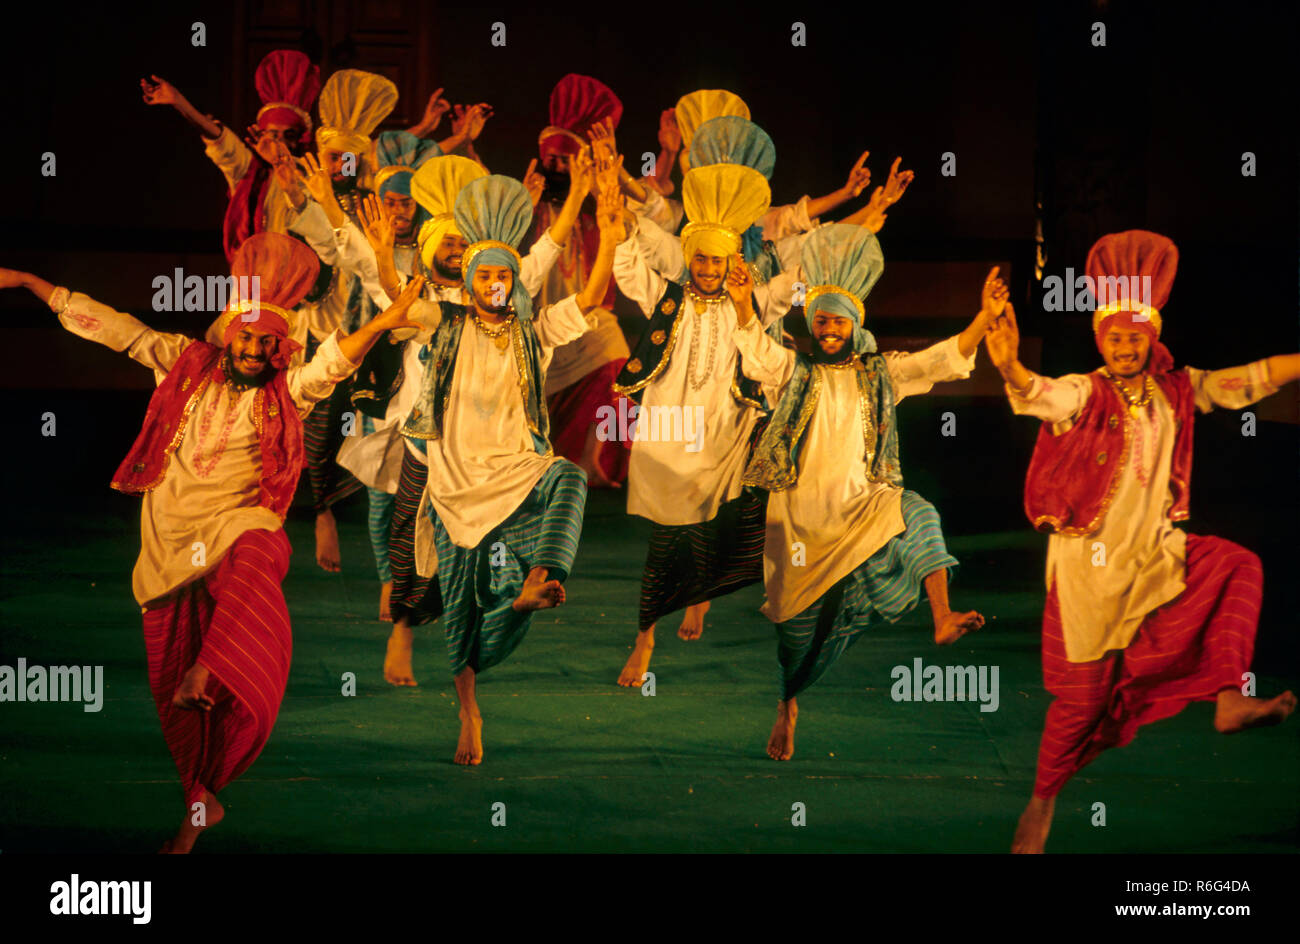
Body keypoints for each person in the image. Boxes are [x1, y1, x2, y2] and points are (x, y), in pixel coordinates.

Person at [0, 234, 424, 852]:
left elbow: (337, 358)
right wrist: (36, 286)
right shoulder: (182, 364)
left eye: (266, 343)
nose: (254, 351)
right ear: (228, 337)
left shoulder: (289, 390)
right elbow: (116, 329)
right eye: (246, 339)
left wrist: (385, 320)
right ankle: (198, 808)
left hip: (239, 525)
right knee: (183, 707)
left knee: (258, 547)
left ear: (280, 348)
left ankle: (208, 667)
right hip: (170, 543)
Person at [982, 229, 1299, 853]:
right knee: (1082, 706)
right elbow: (1039, 394)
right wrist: (1010, 365)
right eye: (1115, 338)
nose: (1126, 347)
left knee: (1238, 566)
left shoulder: (1177, 390)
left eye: (1136, 337)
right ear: (1101, 338)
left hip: (1156, 556)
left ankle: (1231, 697)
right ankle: (1041, 805)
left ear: (1150, 338)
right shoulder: (1085, 392)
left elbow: (1246, 380)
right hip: (1088, 576)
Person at [733, 224, 999, 759]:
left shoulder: (881, 375)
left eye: (840, 321)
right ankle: (788, 703)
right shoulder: (793, 370)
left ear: (856, 325)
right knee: (795, 638)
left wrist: (982, 322)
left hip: (865, 503)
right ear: (812, 324)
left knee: (919, 514)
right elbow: (757, 352)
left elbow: (936, 362)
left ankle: (942, 616)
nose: (830, 329)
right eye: (822, 320)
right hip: (802, 519)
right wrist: (742, 302)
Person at [401, 172, 624, 763]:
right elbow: (395, 305)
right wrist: (379, 249)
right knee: (464, 615)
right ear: (469, 281)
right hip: (455, 486)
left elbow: (592, 298)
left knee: (570, 476)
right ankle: (469, 710)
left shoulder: (535, 330)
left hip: (519, 472)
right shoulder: (442, 324)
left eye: (505, 274)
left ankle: (538, 577)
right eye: (486, 275)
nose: (497, 283)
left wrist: (609, 236)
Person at [610, 160, 773, 682]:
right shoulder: (669, 297)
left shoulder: (750, 302)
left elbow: (801, 284)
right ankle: (645, 637)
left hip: (721, 432)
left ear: (733, 263)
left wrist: (863, 223)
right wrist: (620, 227)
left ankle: (697, 596)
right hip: (666, 432)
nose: (707, 270)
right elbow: (630, 267)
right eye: (699, 260)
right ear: (690, 259)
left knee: (707, 530)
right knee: (664, 540)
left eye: (716, 262)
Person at [140, 50, 321, 262]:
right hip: (254, 279)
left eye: (288, 135)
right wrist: (178, 102)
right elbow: (218, 138)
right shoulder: (248, 170)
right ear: (261, 136)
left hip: (301, 284)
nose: (279, 143)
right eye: (273, 134)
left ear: (299, 139)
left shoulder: (312, 179)